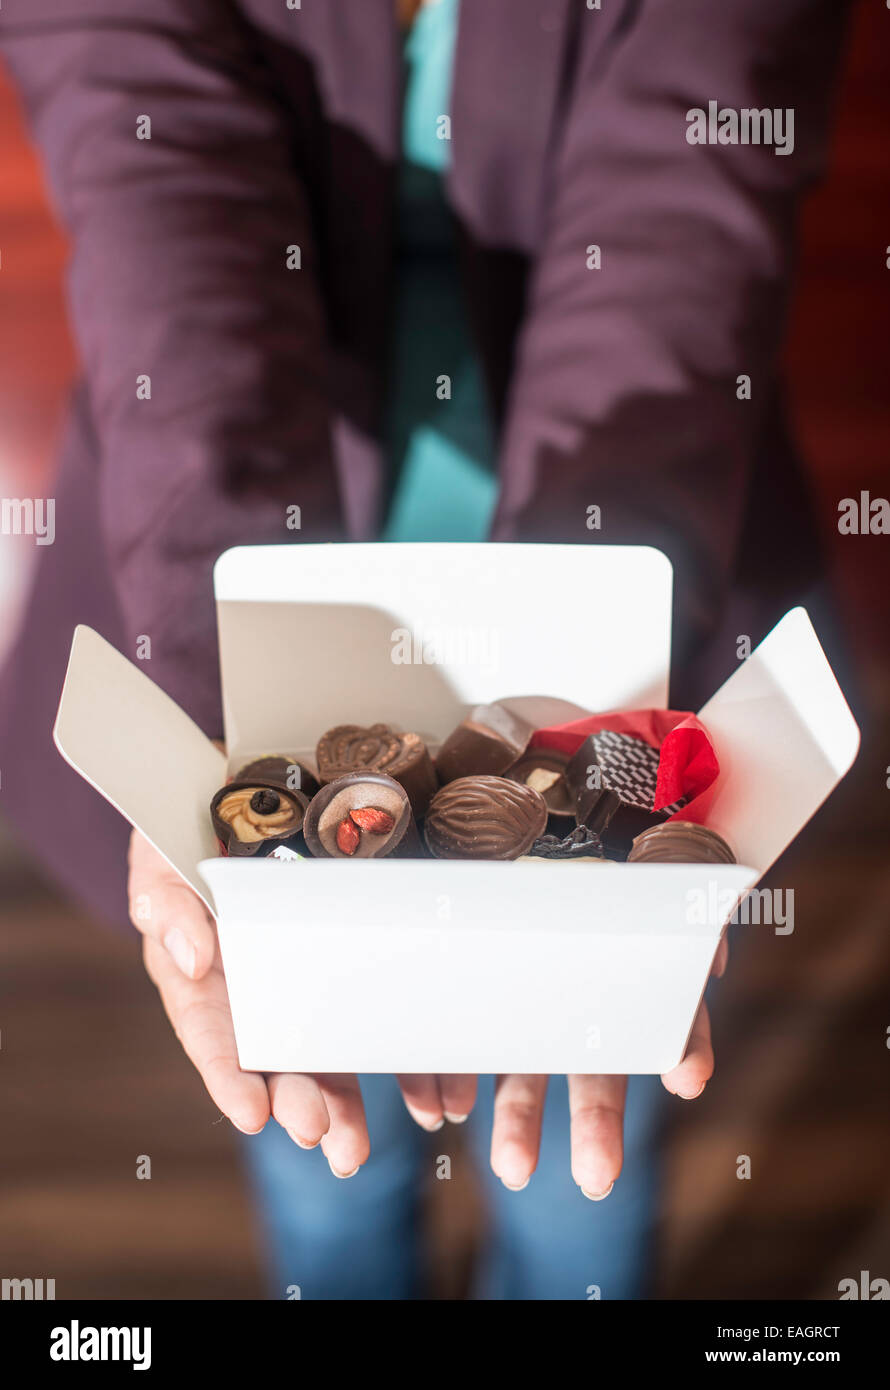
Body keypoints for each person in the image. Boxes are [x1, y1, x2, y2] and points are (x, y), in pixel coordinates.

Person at [0, 0, 849, 1298]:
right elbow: (160, 182)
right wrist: (213, 689)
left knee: (579, 1137)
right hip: (248, 537)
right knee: (317, 1124)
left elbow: (677, 206)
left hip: (647, 535)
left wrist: (597, 698)